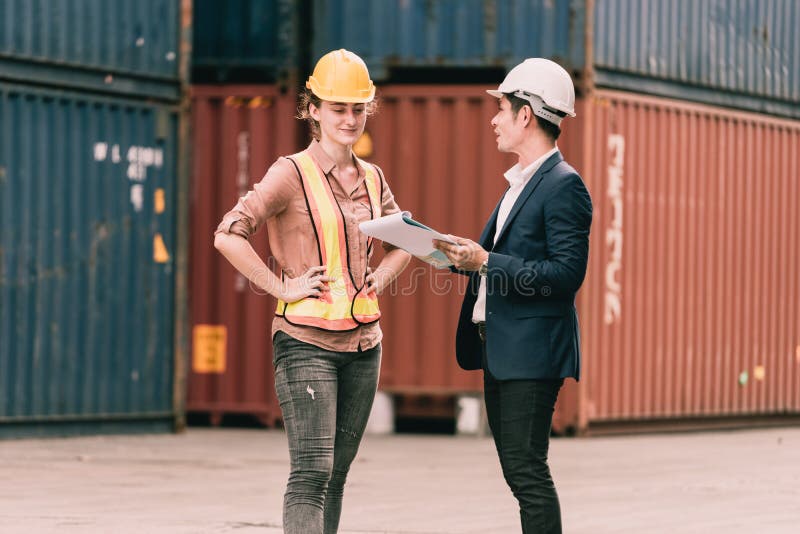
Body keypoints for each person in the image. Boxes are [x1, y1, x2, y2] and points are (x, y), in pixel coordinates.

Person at [214, 49, 411, 534]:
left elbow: (407, 240)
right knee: (311, 474)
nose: (349, 118)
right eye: (338, 108)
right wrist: (280, 285)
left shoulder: (372, 176)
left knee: (337, 477)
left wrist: (381, 277)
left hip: (365, 346)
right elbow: (228, 234)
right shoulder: (290, 172)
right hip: (305, 344)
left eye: (357, 108)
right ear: (314, 109)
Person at [433, 58, 592, 534]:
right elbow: (508, 263)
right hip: (503, 349)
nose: (494, 118)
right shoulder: (521, 185)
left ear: (526, 115)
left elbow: (566, 275)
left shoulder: (564, 186)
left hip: (531, 354)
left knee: (526, 470)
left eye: (501, 108)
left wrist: (487, 262)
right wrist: (464, 259)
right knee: (519, 471)